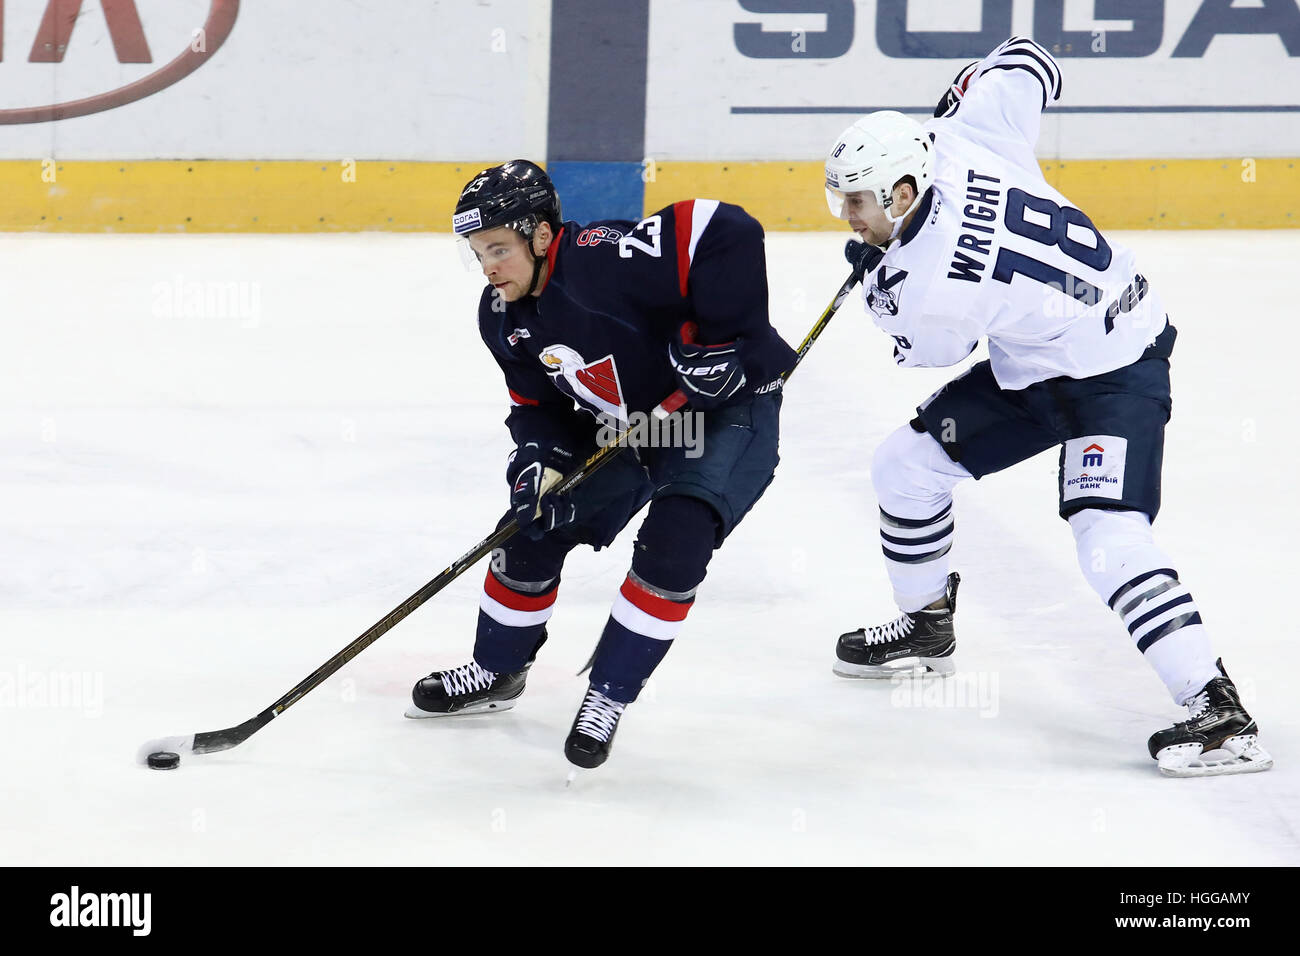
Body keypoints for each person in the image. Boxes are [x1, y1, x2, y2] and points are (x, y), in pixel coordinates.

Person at [821, 37, 1271, 777]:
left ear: (904, 192)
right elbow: (1033, 58)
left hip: (1115, 372)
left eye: (859, 203)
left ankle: (1219, 711)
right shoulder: (969, 133)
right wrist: (971, 88)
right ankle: (927, 628)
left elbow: (925, 354)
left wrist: (880, 282)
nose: (846, 215)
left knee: (1107, 537)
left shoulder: (928, 284)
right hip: (1035, 369)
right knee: (905, 467)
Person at [408, 160, 797, 770]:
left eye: (499, 249)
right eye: (478, 253)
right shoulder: (502, 318)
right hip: (627, 420)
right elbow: (535, 408)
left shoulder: (600, 256)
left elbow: (724, 228)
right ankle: (496, 671)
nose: (488, 268)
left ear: (541, 235)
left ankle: (607, 697)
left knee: (675, 543)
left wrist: (720, 343)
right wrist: (539, 462)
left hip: (720, 412)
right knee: (528, 529)